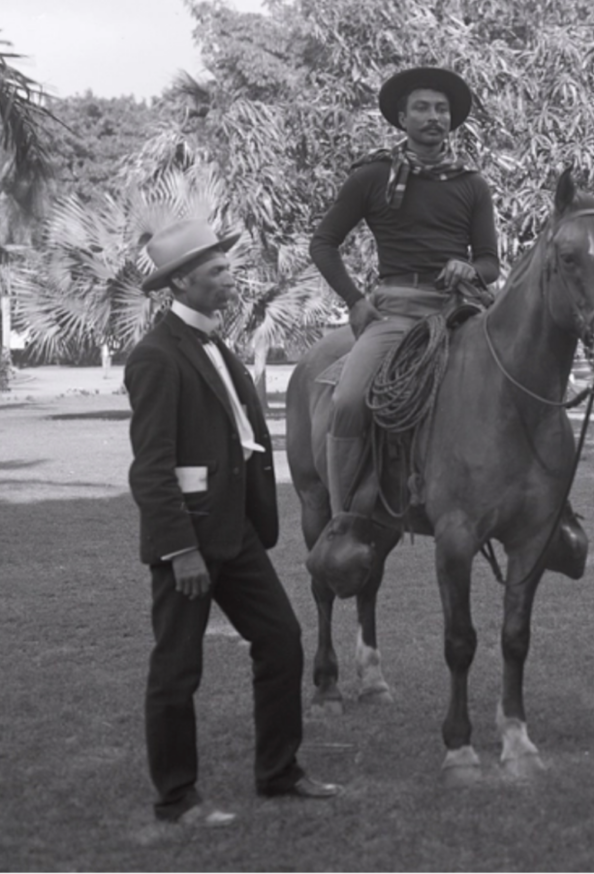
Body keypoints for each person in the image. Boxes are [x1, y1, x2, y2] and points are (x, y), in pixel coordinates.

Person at [306, 67, 580, 588]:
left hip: (463, 309)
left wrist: (469, 269)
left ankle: (556, 510)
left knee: (538, 389)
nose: (435, 118)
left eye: (442, 110)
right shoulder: (372, 176)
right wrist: (355, 301)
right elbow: (323, 244)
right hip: (399, 311)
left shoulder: (470, 183)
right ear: (402, 117)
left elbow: (491, 264)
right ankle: (346, 523)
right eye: (424, 109)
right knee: (347, 399)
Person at [126, 220, 340, 829]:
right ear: (181, 281)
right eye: (216, 271)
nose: (229, 278)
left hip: (237, 534)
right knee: (177, 668)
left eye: (227, 267)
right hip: (189, 543)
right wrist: (179, 550)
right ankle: (177, 800)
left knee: (281, 640)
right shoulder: (156, 357)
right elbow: (152, 467)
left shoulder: (217, 346)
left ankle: (277, 773)